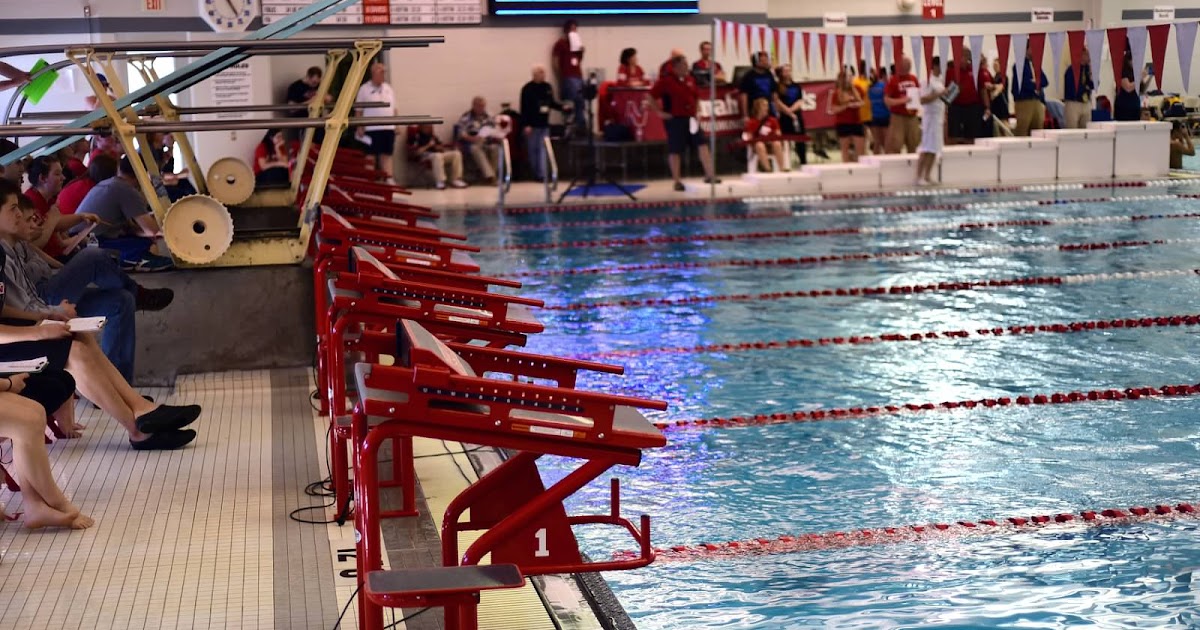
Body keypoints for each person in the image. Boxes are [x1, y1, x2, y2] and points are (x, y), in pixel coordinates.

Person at [0, 181, 200, 451]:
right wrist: (41, 325)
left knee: (81, 333)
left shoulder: (9, 249)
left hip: (22, 328)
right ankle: (137, 427)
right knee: (74, 350)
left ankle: (141, 408)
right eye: (13, 209)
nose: (21, 216)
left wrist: (44, 320)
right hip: (11, 342)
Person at [5, 195, 172, 383]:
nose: (32, 224)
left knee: (122, 301)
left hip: (50, 291)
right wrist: (53, 311)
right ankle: (139, 293)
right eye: (24, 217)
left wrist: (70, 270)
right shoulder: (5, 254)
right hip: (42, 303)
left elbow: (47, 258)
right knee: (92, 256)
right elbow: (20, 305)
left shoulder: (20, 244)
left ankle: (120, 385)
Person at [72, 157, 172, 272]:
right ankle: (133, 260)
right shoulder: (126, 189)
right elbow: (152, 231)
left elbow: (132, 228)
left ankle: (132, 258)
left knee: (143, 241)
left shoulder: (110, 183)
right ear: (144, 174)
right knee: (145, 243)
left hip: (79, 238)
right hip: (89, 241)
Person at [645, 55, 719, 191]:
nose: (687, 67)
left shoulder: (690, 79)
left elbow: (696, 96)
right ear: (676, 67)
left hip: (691, 118)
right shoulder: (666, 81)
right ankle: (677, 181)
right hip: (675, 119)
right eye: (684, 65)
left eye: (686, 64)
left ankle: (710, 175)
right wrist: (659, 112)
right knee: (675, 150)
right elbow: (650, 96)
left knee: (702, 144)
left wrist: (697, 111)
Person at [520, 64, 569, 182]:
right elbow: (524, 108)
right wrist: (526, 124)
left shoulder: (547, 87)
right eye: (540, 73)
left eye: (543, 73)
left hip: (544, 124)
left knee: (543, 149)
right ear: (534, 75)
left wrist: (562, 107)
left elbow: (551, 103)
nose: (543, 76)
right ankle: (535, 172)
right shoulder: (527, 89)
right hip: (532, 124)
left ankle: (542, 174)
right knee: (533, 150)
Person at [354, 61, 398, 181]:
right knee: (370, 156)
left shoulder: (388, 88)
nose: (383, 75)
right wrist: (359, 126)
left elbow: (394, 108)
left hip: (388, 128)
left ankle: (388, 179)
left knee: (387, 155)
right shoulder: (364, 89)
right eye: (381, 73)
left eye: (384, 73)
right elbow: (358, 110)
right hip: (371, 129)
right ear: (373, 73)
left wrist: (396, 125)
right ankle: (370, 180)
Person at [916, 56, 948, 186]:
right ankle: (919, 177)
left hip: (938, 118)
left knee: (935, 148)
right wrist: (938, 94)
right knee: (926, 147)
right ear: (934, 66)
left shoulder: (940, 80)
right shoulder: (927, 81)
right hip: (929, 119)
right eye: (941, 66)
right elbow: (922, 100)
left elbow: (942, 100)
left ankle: (928, 176)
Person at [551, 20, 587, 135]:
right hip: (568, 76)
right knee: (572, 100)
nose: (574, 31)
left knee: (581, 101)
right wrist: (561, 76)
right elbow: (555, 61)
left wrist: (582, 52)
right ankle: (572, 127)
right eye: (572, 29)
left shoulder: (575, 45)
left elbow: (578, 61)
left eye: (575, 29)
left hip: (578, 75)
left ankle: (580, 125)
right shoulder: (560, 43)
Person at [407, 124, 466, 190]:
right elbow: (416, 153)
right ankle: (440, 181)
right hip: (424, 156)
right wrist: (428, 145)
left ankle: (456, 179)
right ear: (421, 127)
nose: (429, 128)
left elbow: (441, 147)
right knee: (437, 156)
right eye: (427, 126)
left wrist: (439, 148)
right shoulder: (416, 137)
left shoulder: (433, 136)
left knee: (456, 154)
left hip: (438, 154)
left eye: (430, 126)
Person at [455, 97, 499, 185]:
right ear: (474, 106)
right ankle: (490, 176)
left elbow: (495, 128)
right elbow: (461, 133)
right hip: (472, 141)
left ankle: (493, 175)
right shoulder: (466, 117)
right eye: (479, 106)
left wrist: (492, 134)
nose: (481, 108)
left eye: (483, 106)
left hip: (487, 140)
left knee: (495, 148)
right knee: (476, 149)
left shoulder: (489, 115)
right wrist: (472, 138)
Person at [828, 69, 866, 163]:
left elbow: (862, 101)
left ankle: (860, 167)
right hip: (843, 123)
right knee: (845, 149)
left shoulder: (857, 88)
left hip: (856, 121)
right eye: (846, 77)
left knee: (860, 149)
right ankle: (846, 167)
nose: (849, 79)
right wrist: (846, 106)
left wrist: (857, 104)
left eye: (850, 76)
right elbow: (833, 109)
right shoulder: (837, 93)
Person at [884, 57, 921, 153]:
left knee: (914, 142)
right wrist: (902, 101)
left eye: (909, 64)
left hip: (912, 116)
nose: (908, 66)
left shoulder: (914, 79)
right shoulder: (893, 80)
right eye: (905, 64)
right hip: (898, 117)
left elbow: (919, 93)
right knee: (896, 143)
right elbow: (887, 100)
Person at [946, 48, 984, 144]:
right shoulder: (950, 71)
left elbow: (982, 89)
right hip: (956, 107)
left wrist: (987, 107)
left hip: (973, 107)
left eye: (965, 56)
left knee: (973, 135)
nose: (962, 58)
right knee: (954, 135)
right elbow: (946, 94)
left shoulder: (975, 70)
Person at [1012, 46, 1048, 136]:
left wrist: (1035, 83)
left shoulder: (1036, 65)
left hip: (1037, 100)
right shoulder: (1019, 65)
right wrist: (1036, 84)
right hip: (1024, 101)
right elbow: (1024, 84)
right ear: (1027, 49)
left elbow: (1045, 81)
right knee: (1022, 130)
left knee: (1038, 130)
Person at [776, 64, 808, 167]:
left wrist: (793, 110)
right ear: (781, 73)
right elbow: (777, 101)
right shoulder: (778, 87)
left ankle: (803, 162)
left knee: (800, 140)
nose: (788, 73)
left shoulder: (796, 86)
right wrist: (788, 111)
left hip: (796, 115)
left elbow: (800, 100)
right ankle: (786, 164)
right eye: (785, 71)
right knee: (785, 141)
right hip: (784, 116)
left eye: (789, 70)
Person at [743, 98, 786, 172]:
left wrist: (771, 139)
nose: (767, 108)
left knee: (777, 143)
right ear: (758, 108)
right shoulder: (751, 122)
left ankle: (782, 168)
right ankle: (768, 169)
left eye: (767, 106)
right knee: (760, 145)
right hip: (758, 145)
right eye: (764, 106)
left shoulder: (773, 120)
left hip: (771, 143)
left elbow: (778, 134)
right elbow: (749, 137)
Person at [738, 51, 779, 123]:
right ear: (756, 62)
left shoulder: (769, 74)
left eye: (767, 60)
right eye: (763, 61)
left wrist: (776, 109)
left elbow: (774, 93)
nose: (766, 62)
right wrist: (745, 115)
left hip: (769, 108)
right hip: (755, 109)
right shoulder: (748, 76)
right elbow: (744, 96)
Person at [1063, 47, 1095, 129]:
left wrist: (1092, 74)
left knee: (1086, 128)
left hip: (1086, 102)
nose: (1090, 57)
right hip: (1074, 102)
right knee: (1072, 129)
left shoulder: (1087, 69)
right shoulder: (1071, 70)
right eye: (1087, 54)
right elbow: (1074, 88)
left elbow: (1093, 85)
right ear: (1081, 55)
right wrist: (1085, 88)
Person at [867, 67, 890, 153]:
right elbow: (887, 101)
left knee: (877, 142)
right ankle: (887, 160)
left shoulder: (869, 88)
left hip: (874, 117)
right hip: (884, 116)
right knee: (885, 142)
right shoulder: (884, 86)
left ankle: (876, 161)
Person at [989, 56, 1013, 136]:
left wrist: (992, 95)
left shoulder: (1003, 76)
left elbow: (1000, 87)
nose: (995, 67)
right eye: (994, 65)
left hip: (1002, 105)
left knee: (1004, 128)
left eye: (996, 65)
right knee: (997, 128)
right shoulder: (995, 77)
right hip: (995, 106)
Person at [1115, 53, 1141, 122]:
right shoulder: (1122, 72)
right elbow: (1128, 88)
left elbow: (1142, 89)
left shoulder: (1135, 72)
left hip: (1135, 105)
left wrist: (1149, 77)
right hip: (1124, 106)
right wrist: (1140, 78)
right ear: (1128, 61)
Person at [853, 60, 873, 149]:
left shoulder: (871, 81)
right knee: (864, 137)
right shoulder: (856, 82)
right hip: (861, 113)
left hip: (871, 112)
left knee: (872, 137)